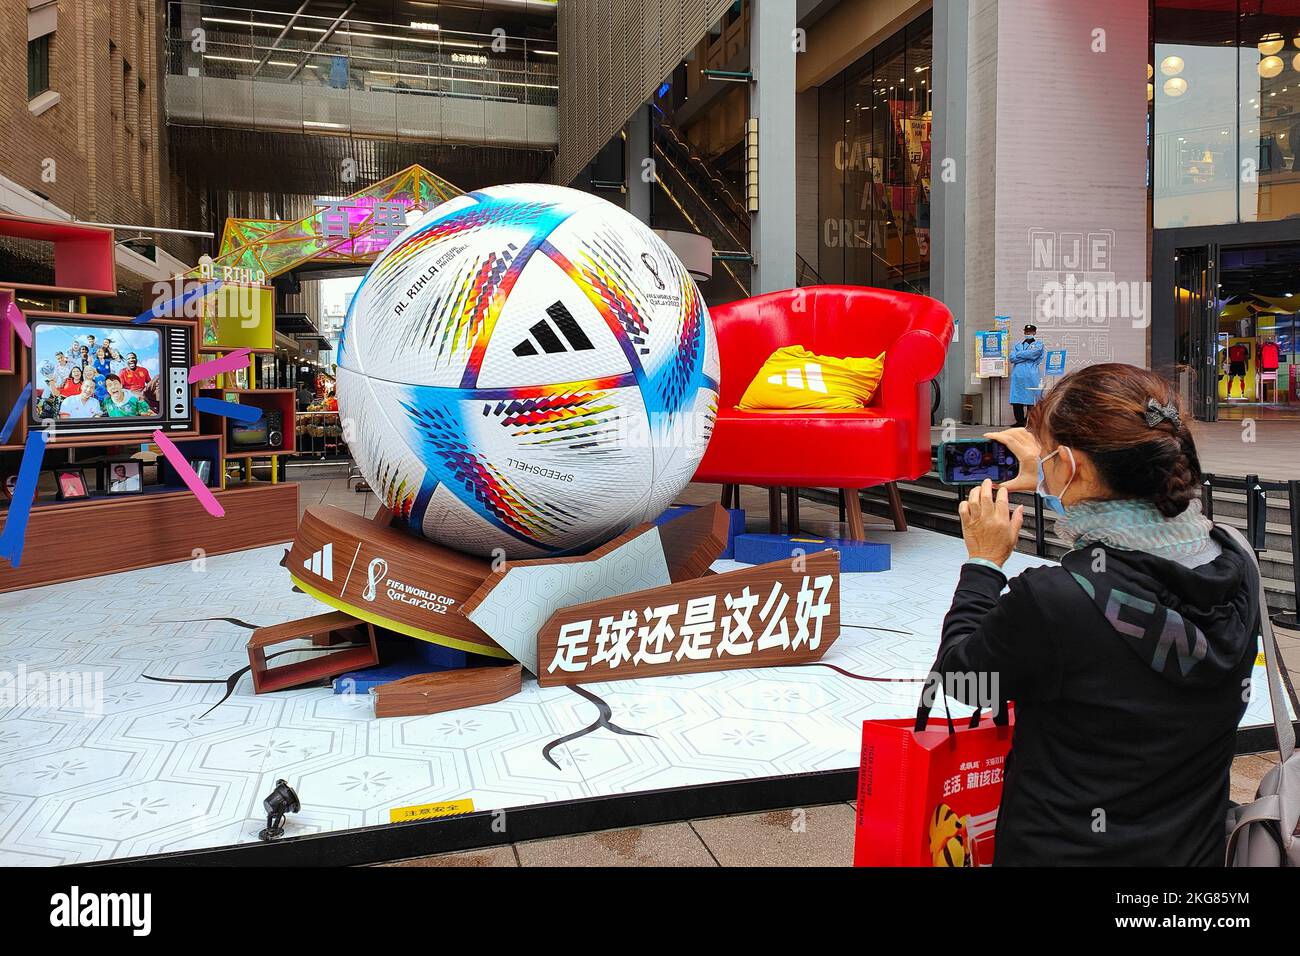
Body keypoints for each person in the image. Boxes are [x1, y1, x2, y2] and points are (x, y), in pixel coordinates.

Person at [934, 363, 1257, 866]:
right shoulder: (1237, 559)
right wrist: (1053, 479)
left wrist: (983, 565)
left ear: (1069, 465)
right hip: (1194, 854)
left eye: (1046, 455)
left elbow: (963, 680)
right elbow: (1134, 533)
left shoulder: (1055, 600)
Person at [1008, 323, 1044, 427]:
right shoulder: (1017, 345)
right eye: (1026, 331)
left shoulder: (1038, 344)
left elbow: (1034, 354)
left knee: (1031, 399)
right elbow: (1012, 358)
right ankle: (1019, 422)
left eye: (1030, 331)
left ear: (1034, 332)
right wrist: (1026, 355)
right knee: (1017, 399)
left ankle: (1029, 421)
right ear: (1024, 332)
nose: (1028, 333)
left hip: (1031, 375)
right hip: (1018, 375)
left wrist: (1019, 354)